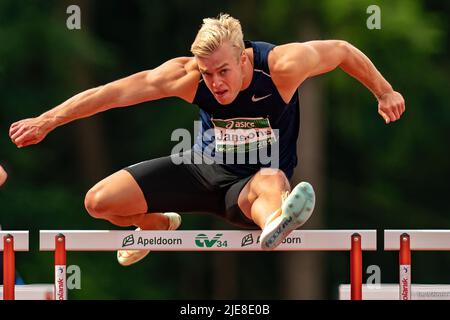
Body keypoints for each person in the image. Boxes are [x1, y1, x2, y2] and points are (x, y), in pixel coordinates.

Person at [9, 14, 405, 266]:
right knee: (99, 202)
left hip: (251, 189)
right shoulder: (185, 77)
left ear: (244, 58)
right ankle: (158, 224)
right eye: (207, 72)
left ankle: (276, 223)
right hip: (200, 171)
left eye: (223, 71)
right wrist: (47, 121)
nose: (215, 83)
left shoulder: (281, 67)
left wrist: (383, 91)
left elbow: (341, 51)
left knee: (270, 179)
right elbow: (112, 93)